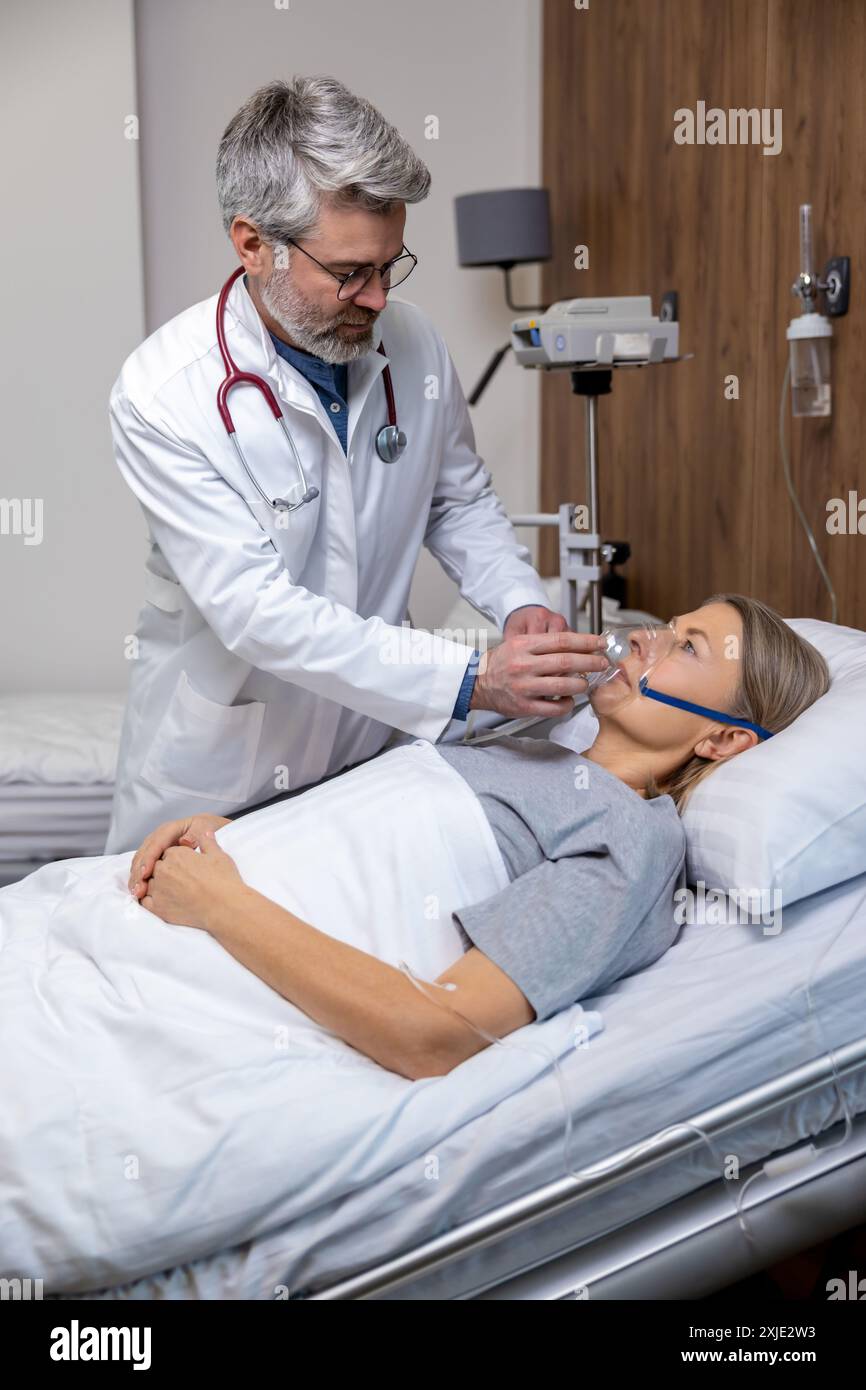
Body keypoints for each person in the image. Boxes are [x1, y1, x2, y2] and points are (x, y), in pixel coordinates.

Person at [105, 75, 605, 854]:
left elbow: (457, 500)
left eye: (389, 266)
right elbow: (256, 613)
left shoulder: (414, 344)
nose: (376, 300)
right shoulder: (164, 394)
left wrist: (516, 602)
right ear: (252, 244)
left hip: (374, 748)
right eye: (348, 273)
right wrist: (470, 681)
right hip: (225, 771)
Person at [128, 595, 830, 1079]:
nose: (645, 636)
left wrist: (219, 902)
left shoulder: (631, 839)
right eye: (669, 624)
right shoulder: (530, 745)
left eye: (686, 646)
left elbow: (437, 1035)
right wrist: (246, 834)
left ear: (725, 738)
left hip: (189, 973)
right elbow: (369, 833)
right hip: (166, 907)